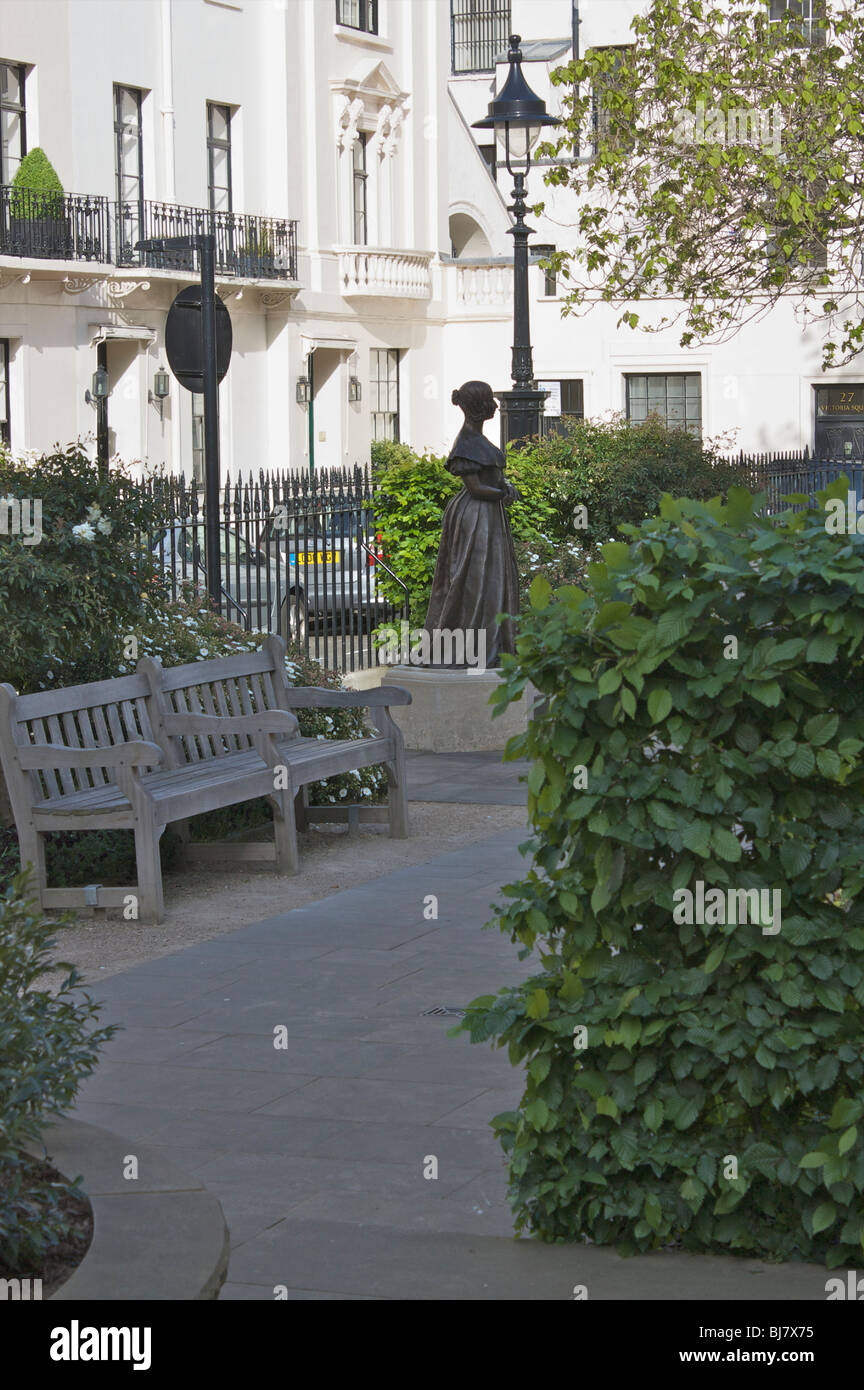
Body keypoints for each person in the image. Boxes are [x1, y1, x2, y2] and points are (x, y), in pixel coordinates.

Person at [423, 380, 520, 668]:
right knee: (474, 581)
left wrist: (506, 487)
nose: (495, 405)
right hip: (476, 516)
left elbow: (491, 481)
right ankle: (471, 647)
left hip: (489, 515)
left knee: (491, 580)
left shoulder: (475, 438)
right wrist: (504, 492)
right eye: (490, 400)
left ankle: (494, 644)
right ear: (479, 407)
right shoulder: (466, 442)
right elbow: (476, 487)